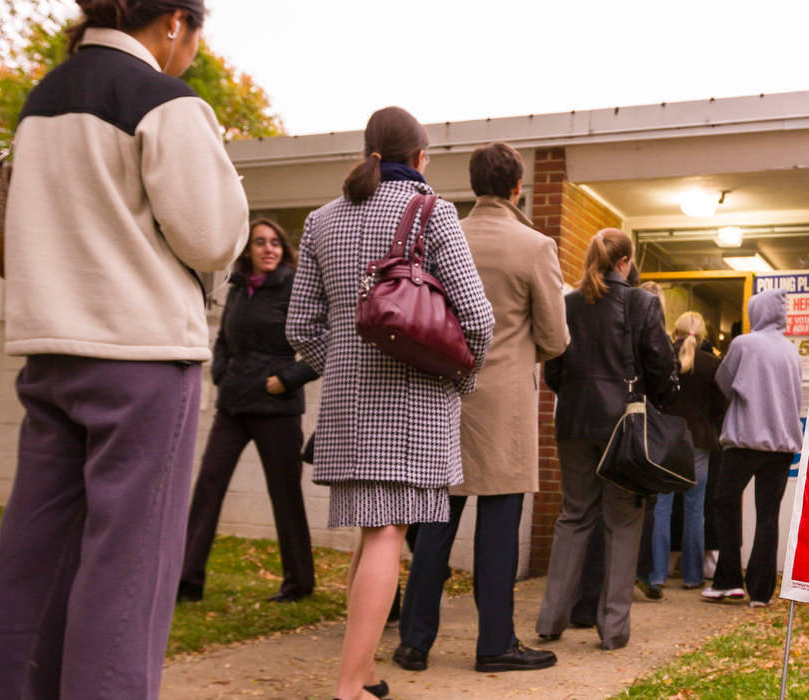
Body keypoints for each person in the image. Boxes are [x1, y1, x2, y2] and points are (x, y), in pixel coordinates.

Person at [0, 1, 249, 696]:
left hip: (50, 354)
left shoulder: (42, 103)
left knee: (32, 552)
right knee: (128, 565)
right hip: (142, 355)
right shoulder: (163, 99)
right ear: (176, 23)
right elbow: (211, 238)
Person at [287, 106, 494, 700]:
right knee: (383, 535)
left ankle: (367, 670)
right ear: (422, 156)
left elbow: (302, 326)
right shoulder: (433, 212)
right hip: (413, 404)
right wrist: (457, 380)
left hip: (347, 407)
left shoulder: (321, 219)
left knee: (368, 533)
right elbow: (477, 320)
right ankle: (350, 685)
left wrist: (347, 369)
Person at [394, 142, 569, 673]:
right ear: (519, 186)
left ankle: (414, 641)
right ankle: (495, 643)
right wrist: (520, 351)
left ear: (473, 183)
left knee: (435, 525)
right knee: (498, 530)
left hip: (444, 395)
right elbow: (557, 336)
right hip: (505, 406)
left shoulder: (441, 237)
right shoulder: (535, 246)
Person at [535, 229, 675, 651]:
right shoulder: (642, 302)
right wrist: (660, 401)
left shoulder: (569, 304)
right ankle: (612, 629)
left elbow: (553, 370)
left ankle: (550, 620)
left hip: (575, 423)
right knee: (622, 522)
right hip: (624, 427)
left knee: (574, 516)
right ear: (625, 262)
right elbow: (661, 364)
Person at [179, 219, 320, 604]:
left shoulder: (295, 287)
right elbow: (224, 338)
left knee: (285, 493)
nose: (268, 249)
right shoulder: (239, 287)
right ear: (248, 251)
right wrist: (222, 371)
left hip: (277, 407)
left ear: (283, 249)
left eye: (275, 242)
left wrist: (289, 378)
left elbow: (326, 339)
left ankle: (299, 582)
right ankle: (188, 580)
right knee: (208, 485)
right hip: (233, 405)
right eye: (260, 243)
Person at [703, 289, 803, 606]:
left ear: (755, 312)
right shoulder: (790, 351)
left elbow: (723, 381)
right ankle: (761, 592)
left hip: (746, 439)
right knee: (768, 515)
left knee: (724, 502)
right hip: (782, 444)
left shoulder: (744, 344)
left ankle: (728, 580)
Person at [647, 312, 729, 594]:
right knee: (695, 510)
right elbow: (722, 403)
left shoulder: (661, 358)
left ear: (675, 332)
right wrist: (705, 418)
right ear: (702, 335)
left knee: (661, 508)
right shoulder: (712, 363)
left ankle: (657, 574)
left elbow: (652, 396)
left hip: (665, 440)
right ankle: (693, 576)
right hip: (698, 440)